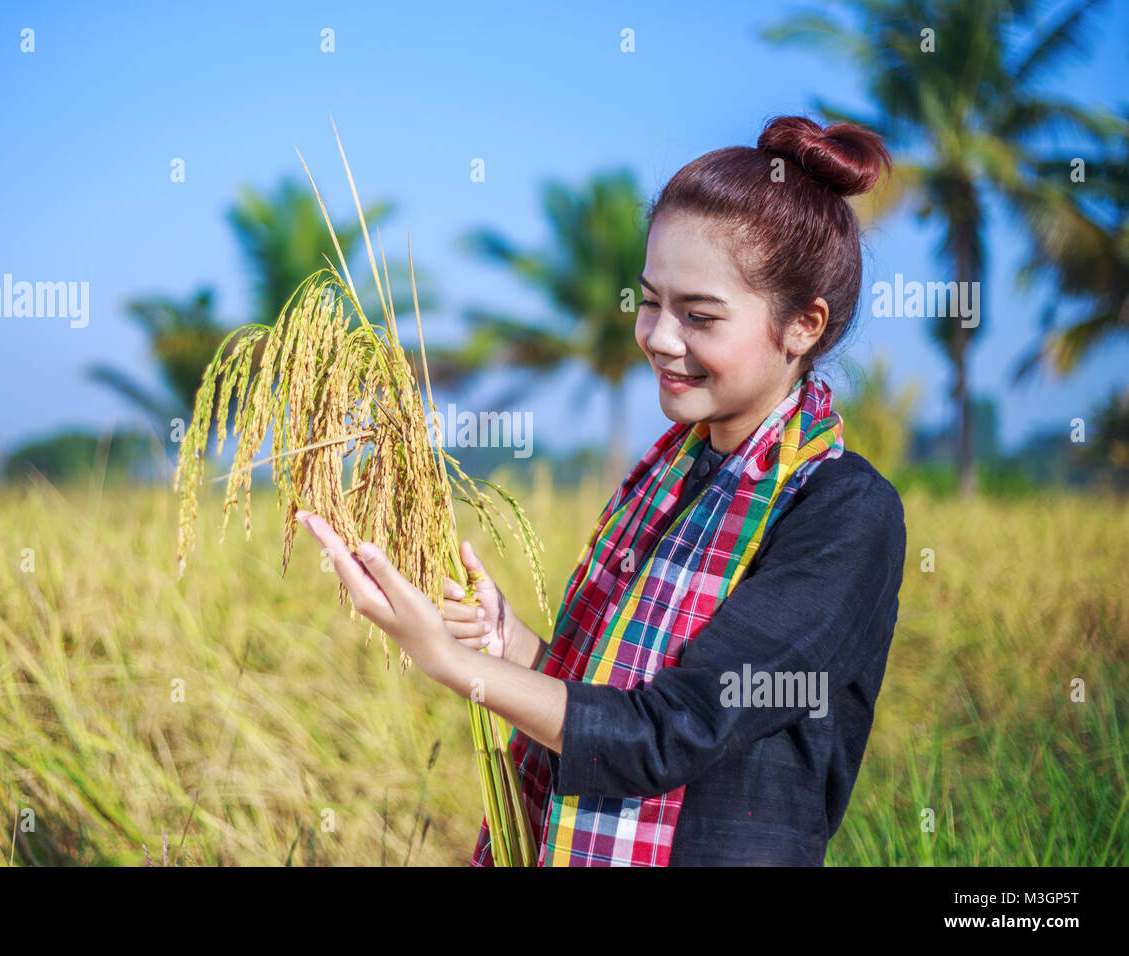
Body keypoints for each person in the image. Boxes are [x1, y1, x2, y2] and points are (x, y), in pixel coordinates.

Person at [296, 113, 907, 866]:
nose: (659, 336)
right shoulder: (670, 479)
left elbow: (666, 732)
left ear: (803, 326)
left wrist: (456, 666)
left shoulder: (845, 512)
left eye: (701, 316)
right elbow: (602, 703)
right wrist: (506, 642)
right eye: (651, 301)